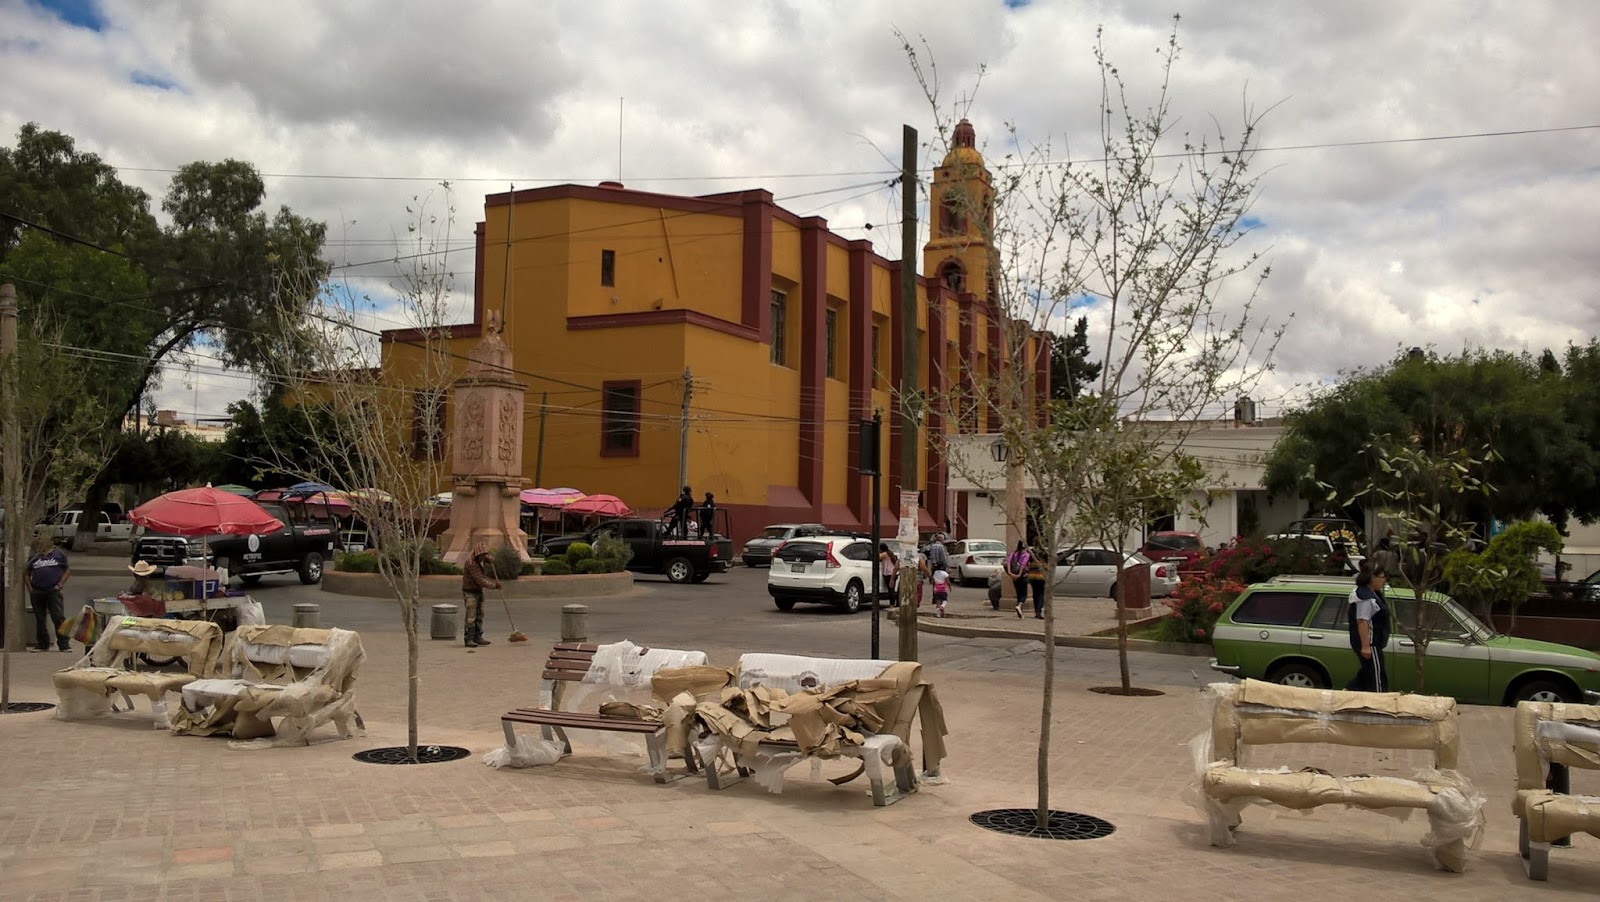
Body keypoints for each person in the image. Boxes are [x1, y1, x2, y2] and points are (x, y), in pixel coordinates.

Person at [1346, 567, 1391, 692]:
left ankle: (1348, 691)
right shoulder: (1365, 597)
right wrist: (1366, 646)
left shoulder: (1373, 594)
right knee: (1377, 676)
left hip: (1375, 642)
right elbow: (1362, 621)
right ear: (1372, 577)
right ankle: (1379, 699)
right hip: (1370, 643)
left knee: (1366, 673)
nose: (1384, 581)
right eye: (1382, 577)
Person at [26, 535, 71, 652]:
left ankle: (64, 644)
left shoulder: (58, 554)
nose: (42, 543)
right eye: (40, 541)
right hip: (37, 591)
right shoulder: (35, 556)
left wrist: (60, 584)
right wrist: (30, 588)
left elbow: (67, 570)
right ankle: (42, 643)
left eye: (44, 540)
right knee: (40, 618)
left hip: (53, 590)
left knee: (58, 617)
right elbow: (26, 573)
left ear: (50, 542)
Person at [460, 541, 499, 648]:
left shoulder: (480, 557)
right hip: (470, 591)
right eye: (482, 555)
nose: (484, 557)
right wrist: (494, 586)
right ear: (478, 554)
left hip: (478, 590)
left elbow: (488, 559)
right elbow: (480, 580)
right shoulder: (471, 563)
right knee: (471, 615)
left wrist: (489, 560)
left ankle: (478, 636)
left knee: (480, 613)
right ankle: (469, 638)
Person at [1004, 540, 1030, 617]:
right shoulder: (1026, 555)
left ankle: (1019, 608)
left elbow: (1009, 562)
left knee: (1018, 592)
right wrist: (1019, 574)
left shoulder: (1014, 553)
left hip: (1013, 575)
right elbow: (1023, 565)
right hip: (1022, 576)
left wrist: (1010, 573)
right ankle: (1019, 605)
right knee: (1024, 594)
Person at [1025, 540, 1048, 620]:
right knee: (1041, 593)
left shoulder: (1031, 552)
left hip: (1032, 575)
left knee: (1035, 594)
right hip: (1041, 575)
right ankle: (1039, 610)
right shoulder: (1045, 552)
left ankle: (1036, 611)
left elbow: (1026, 562)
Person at [878, 542, 899, 606]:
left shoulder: (885, 554)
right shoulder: (889, 553)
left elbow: (879, 557)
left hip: (889, 573)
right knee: (891, 589)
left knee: (890, 589)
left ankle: (892, 603)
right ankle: (893, 603)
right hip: (892, 573)